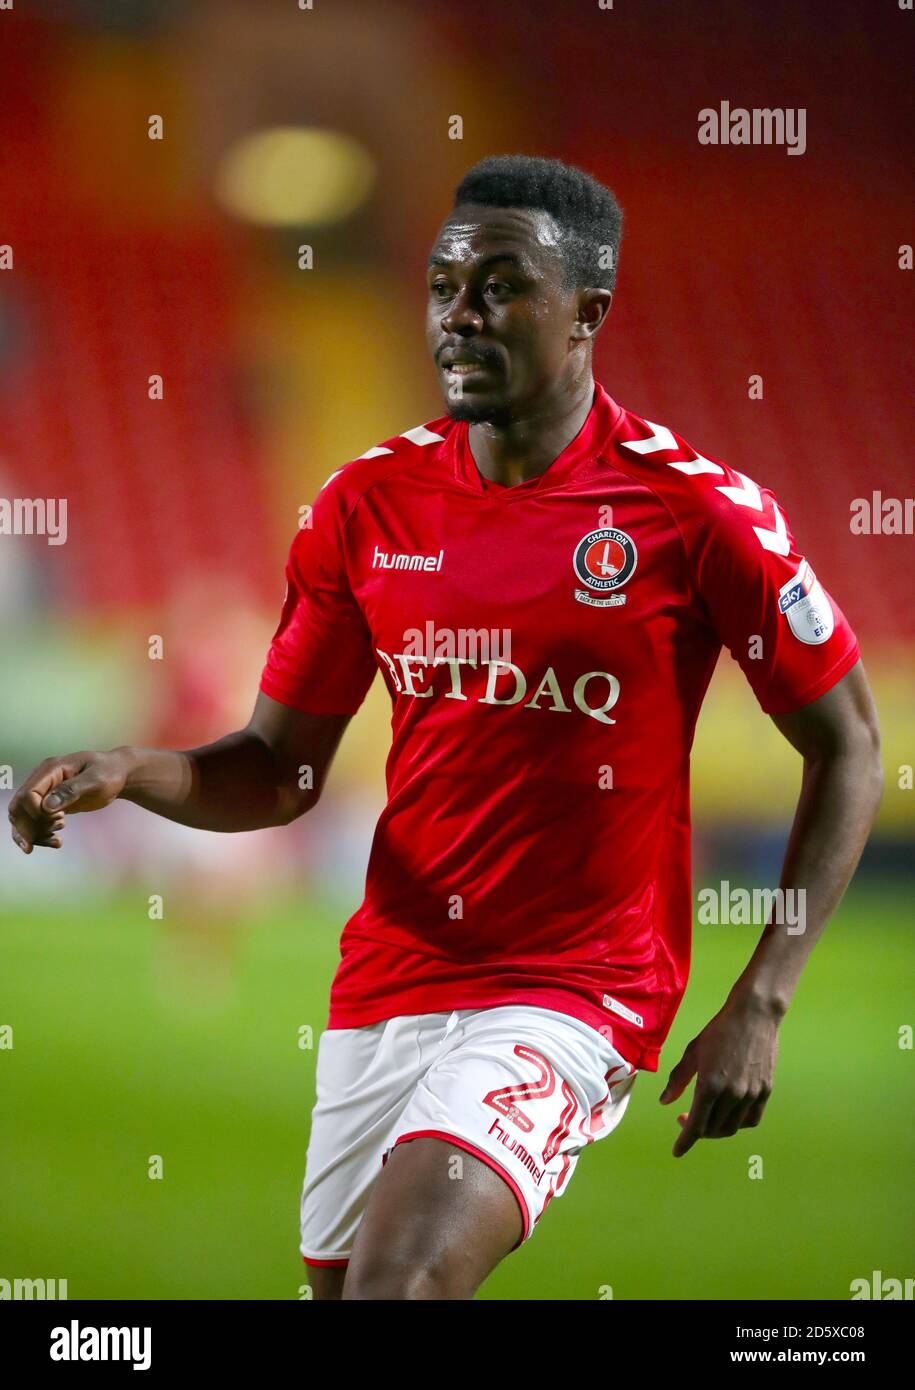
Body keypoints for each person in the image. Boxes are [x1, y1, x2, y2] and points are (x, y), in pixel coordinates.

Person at [9, 155, 882, 1301]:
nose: (458, 314)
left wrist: (762, 995)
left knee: (403, 1282)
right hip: (390, 979)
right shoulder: (365, 506)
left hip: (578, 988)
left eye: (501, 285)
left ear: (589, 313)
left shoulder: (694, 510)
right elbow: (278, 772)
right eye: (442, 283)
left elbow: (850, 740)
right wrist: (129, 770)